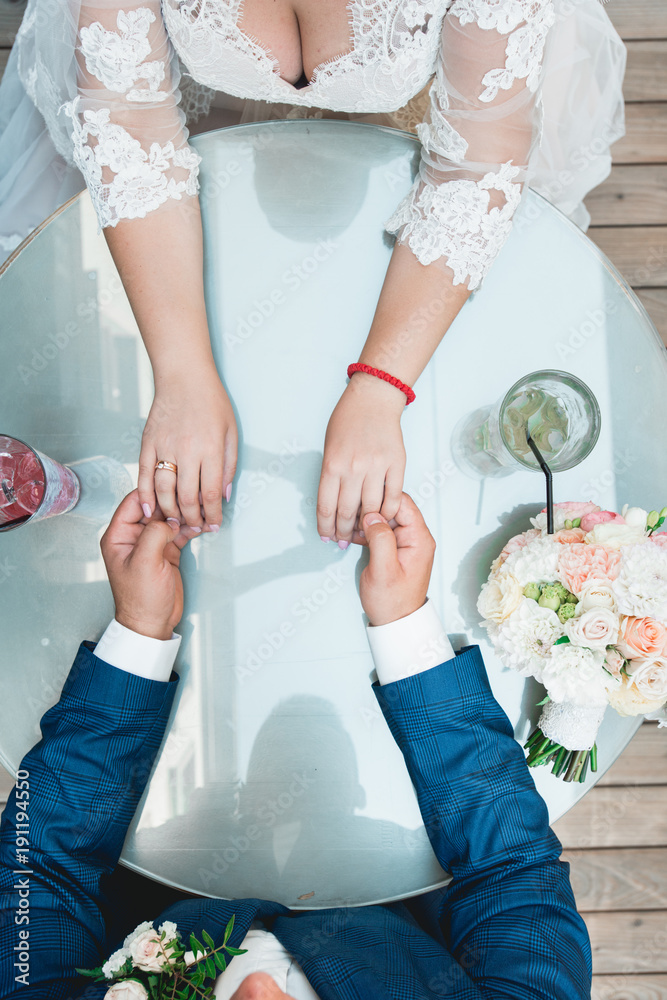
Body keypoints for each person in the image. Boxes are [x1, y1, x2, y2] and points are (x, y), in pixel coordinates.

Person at [0, 0, 625, 544]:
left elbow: (474, 167)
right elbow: (128, 123)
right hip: (220, 134)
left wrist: (380, 387)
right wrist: (182, 371)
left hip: (420, 119)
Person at [0, 489, 591, 999]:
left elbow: (38, 863)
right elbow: (510, 869)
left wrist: (137, 637)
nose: (259, 992)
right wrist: (406, 631)